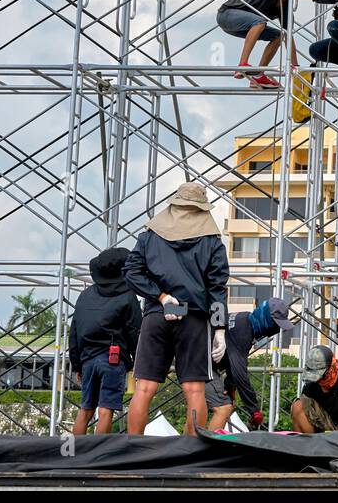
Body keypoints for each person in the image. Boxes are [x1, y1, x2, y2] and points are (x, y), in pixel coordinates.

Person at [124, 183, 230, 435]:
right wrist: (220, 329)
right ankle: (191, 451)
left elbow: (131, 272)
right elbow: (217, 287)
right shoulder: (212, 243)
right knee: (194, 390)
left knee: (144, 388)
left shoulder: (149, 236)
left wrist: (161, 297)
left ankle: (132, 448)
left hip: (158, 313)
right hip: (193, 317)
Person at [68, 247, 141, 436]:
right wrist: (138, 363)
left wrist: (77, 365)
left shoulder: (85, 296)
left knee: (85, 410)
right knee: (105, 410)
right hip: (113, 358)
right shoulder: (127, 296)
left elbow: (74, 333)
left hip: (87, 360)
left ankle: (73, 456)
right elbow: (135, 332)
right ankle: (99, 457)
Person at [216, 0, 313, 89]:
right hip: (226, 14)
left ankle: (258, 75)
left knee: (279, 36)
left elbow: (288, 36)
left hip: (243, 26)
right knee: (260, 22)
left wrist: (295, 67)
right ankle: (242, 64)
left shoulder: (285, 8)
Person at [206, 297, 293, 431]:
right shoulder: (244, 333)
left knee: (198, 405)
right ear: (266, 319)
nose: (275, 329)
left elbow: (232, 356)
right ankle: (207, 449)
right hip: (201, 362)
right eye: (275, 324)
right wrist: (254, 410)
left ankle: (190, 443)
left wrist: (229, 386)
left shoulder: (244, 319)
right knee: (224, 407)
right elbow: (239, 373)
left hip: (197, 357)